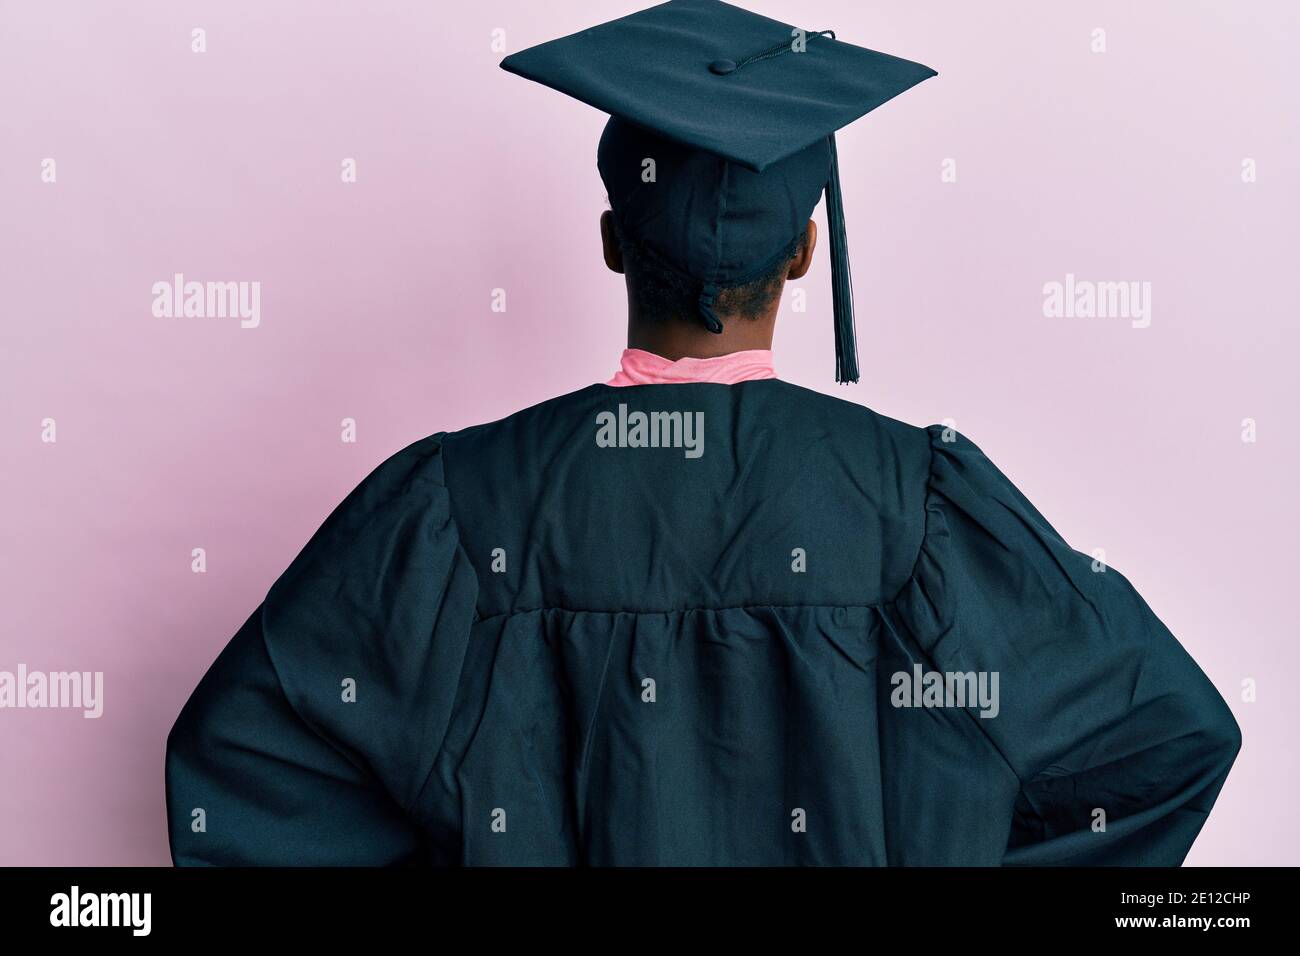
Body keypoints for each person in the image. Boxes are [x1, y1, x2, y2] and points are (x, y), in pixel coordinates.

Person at [166, 0, 1239, 866]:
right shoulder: (918, 508)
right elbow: (1165, 743)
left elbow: (247, 771)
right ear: (805, 253)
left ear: (609, 243)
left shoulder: (455, 506)